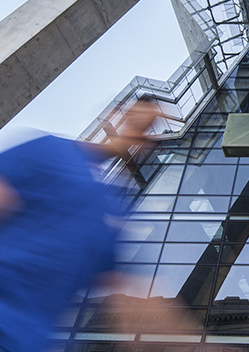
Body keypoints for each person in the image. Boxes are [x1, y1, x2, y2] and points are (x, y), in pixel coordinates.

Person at [0, 99, 160, 352]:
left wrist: (194, 342)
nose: (143, 135)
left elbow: (122, 293)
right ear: (116, 117)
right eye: (138, 121)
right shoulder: (51, 150)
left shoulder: (109, 209)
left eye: (150, 128)